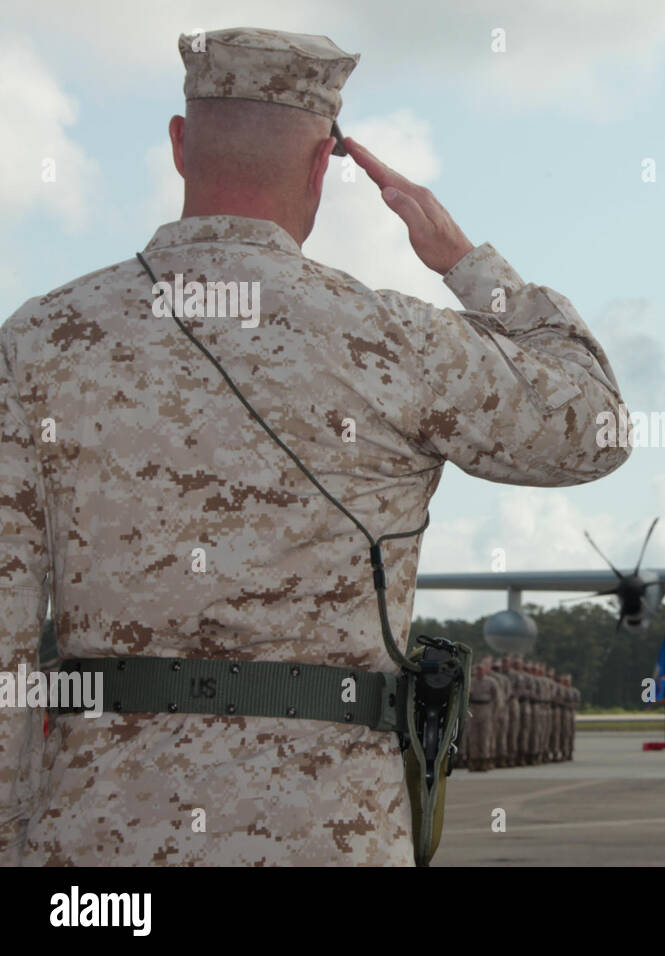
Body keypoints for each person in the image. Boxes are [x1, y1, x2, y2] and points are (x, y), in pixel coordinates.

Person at [0, 27, 629, 865]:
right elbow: (596, 427)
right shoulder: (396, 341)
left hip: (98, 843)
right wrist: (469, 263)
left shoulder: (40, 341)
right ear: (322, 166)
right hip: (329, 832)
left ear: (181, 145)